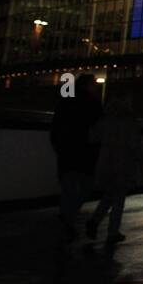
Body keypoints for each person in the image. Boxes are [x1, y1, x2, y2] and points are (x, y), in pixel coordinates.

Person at [85, 94, 143, 244]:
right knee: (118, 198)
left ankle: (95, 221)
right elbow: (135, 145)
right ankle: (112, 231)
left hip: (106, 163)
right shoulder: (129, 122)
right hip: (123, 164)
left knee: (110, 195)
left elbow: (92, 137)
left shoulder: (105, 120)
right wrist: (142, 162)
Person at [49, 74, 102, 241]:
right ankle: (68, 219)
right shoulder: (94, 105)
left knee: (69, 188)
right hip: (85, 156)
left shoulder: (65, 103)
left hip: (67, 154)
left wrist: (60, 147)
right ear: (88, 86)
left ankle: (66, 219)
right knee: (84, 189)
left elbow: (55, 129)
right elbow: (97, 131)